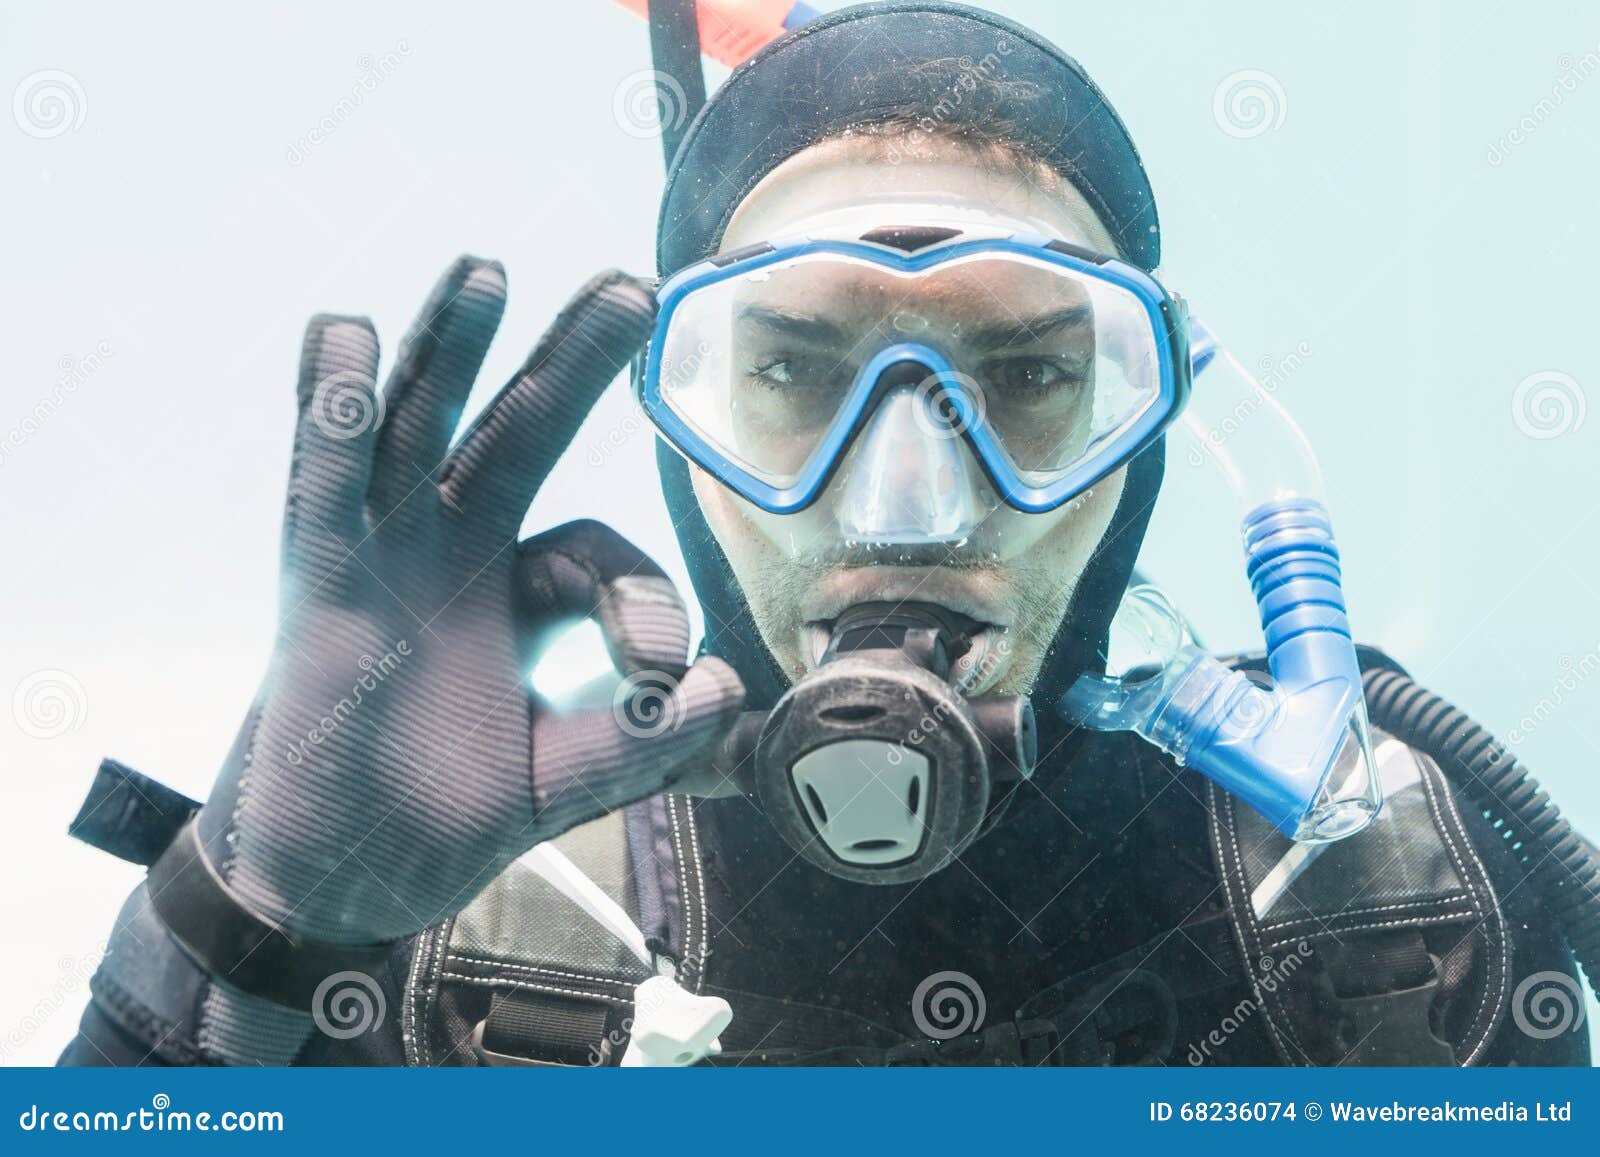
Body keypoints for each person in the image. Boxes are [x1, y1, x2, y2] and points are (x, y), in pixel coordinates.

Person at [61, 1, 1596, 1067]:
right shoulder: (467, 919)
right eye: (796, 375)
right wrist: (245, 928)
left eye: (1030, 376)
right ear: (684, 430)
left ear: (1147, 429)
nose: (906, 504)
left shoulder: (1393, 891)